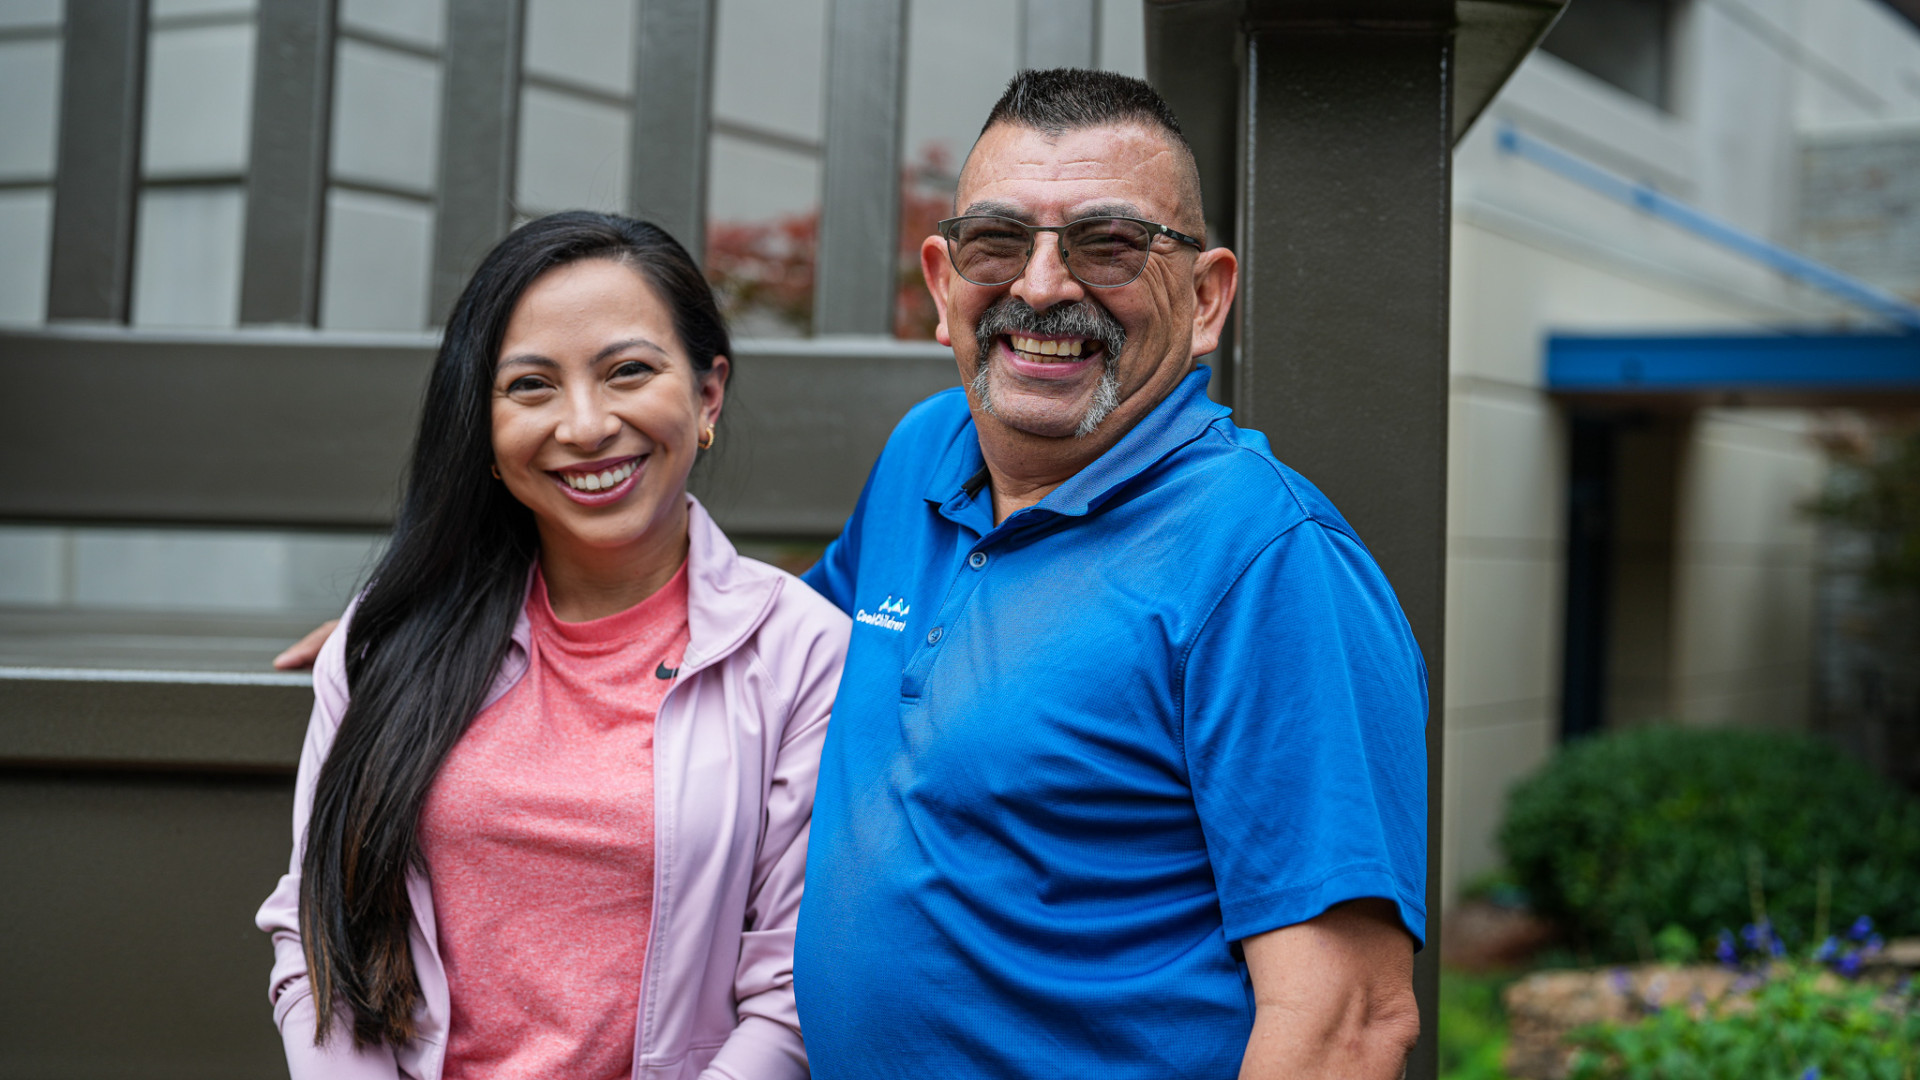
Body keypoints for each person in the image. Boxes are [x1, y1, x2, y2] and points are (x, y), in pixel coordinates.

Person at [791, 70, 1428, 1080]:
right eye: (999, 242)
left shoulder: (1268, 560)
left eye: (1110, 245)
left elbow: (1345, 1024)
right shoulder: (923, 453)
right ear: (944, 281)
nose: (1042, 287)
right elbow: (768, 665)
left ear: (1208, 295)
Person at [256, 212, 848, 1080]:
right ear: (483, 429)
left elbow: (789, 996)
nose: (584, 425)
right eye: (531, 386)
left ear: (707, 394)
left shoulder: (801, 655)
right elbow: (320, 939)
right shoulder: (391, 636)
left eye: (629, 373)